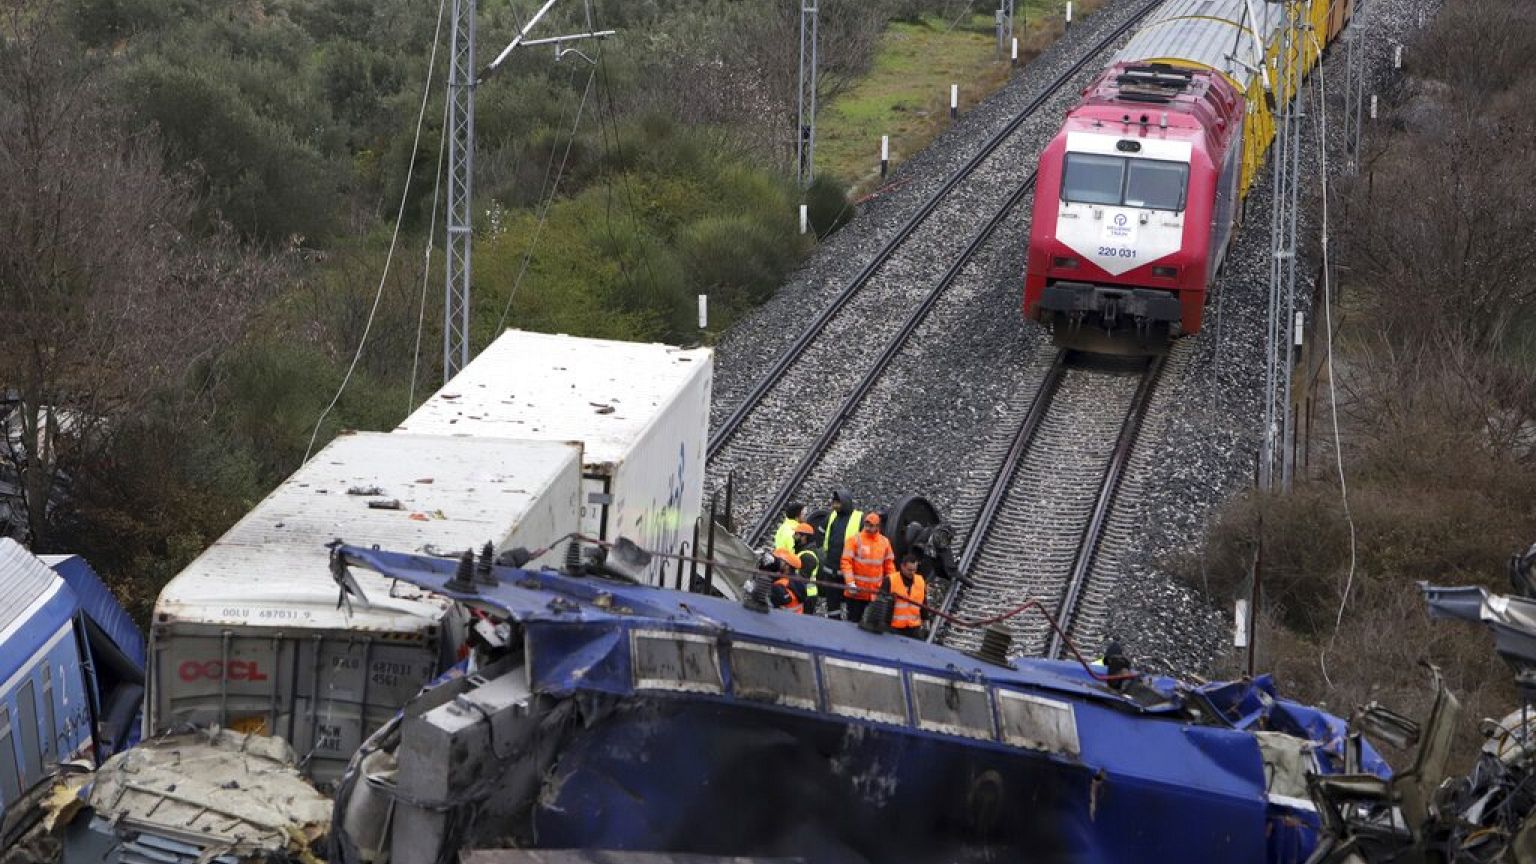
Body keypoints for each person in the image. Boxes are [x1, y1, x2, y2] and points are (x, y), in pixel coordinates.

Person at [840, 512, 894, 626]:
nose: (868, 528)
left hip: (875, 594)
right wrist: (850, 583)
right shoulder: (854, 540)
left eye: (871, 525)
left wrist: (892, 586)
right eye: (866, 525)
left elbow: (889, 566)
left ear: (877, 527)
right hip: (856, 593)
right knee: (852, 624)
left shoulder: (884, 542)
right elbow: (846, 562)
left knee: (871, 625)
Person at [820, 488, 863, 619]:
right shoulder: (832, 516)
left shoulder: (859, 518)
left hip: (849, 571)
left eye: (837, 503)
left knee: (853, 603)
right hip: (830, 569)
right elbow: (821, 531)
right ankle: (834, 626)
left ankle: (850, 628)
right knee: (832, 604)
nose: (834, 506)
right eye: (833, 503)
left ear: (845, 502)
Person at [885, 553, 927, 637]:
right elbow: (881, 601)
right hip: (894, 627)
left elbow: (924, 602)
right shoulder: (890, 580)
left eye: (914, 570)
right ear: (902, 566)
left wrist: (925, 619)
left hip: (913, 627)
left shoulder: (920, 581)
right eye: (909, 570)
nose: (912, 573)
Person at [791, 522, 822, 615]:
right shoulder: (803, 552)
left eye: (796, 534)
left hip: (807, 595)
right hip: (804, 593)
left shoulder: (807, 556)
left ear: (804, 537)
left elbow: (802, 579)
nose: (794, 537)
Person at [769, 549, 805, 614]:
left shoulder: (780, 584)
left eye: (781, 561)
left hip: (785, 618)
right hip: (798, 615)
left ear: (787, 566)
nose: (779, 562)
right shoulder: (799, 579)